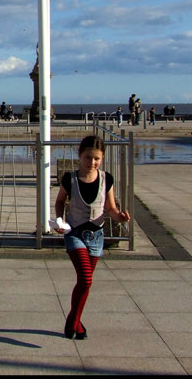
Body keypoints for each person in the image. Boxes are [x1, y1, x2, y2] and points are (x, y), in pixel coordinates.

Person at [53, 135, 130, 340]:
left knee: (84, 282)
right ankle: (72, 324)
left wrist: (120, 217)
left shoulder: (107, 179)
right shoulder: (70, 179)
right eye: (88, 157)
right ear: (80, 156)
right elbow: (60, 201)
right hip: (75, 233)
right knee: (86, 278)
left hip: (96, 235)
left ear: (102, 157)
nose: (92, 162)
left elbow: (110, 208)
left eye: (96, 158)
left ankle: (76, 321)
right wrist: (60, 220)